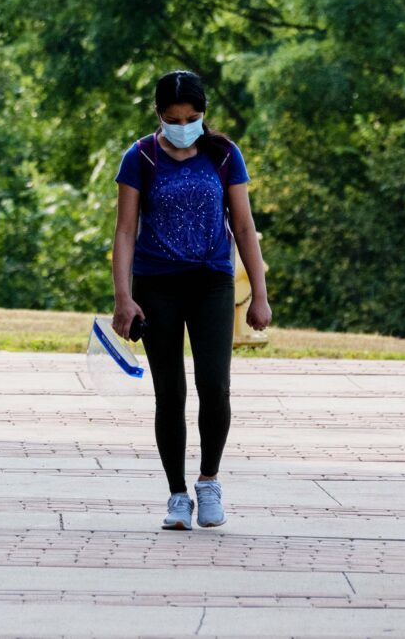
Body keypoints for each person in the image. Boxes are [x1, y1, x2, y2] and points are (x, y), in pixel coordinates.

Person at [111, 69, 270, 531]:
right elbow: (125, 231)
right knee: (170, 393)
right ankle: (177, 495)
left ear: (203, 114)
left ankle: (209, 481)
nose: (184, 127)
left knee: (215, 386)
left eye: (192, 118)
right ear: (159, 114)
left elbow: (244, 226)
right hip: (156, 285)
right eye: (174, 119)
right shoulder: (140, 157)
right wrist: (123, 298)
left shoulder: (224, 155)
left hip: (211, 283)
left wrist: (260, 296)